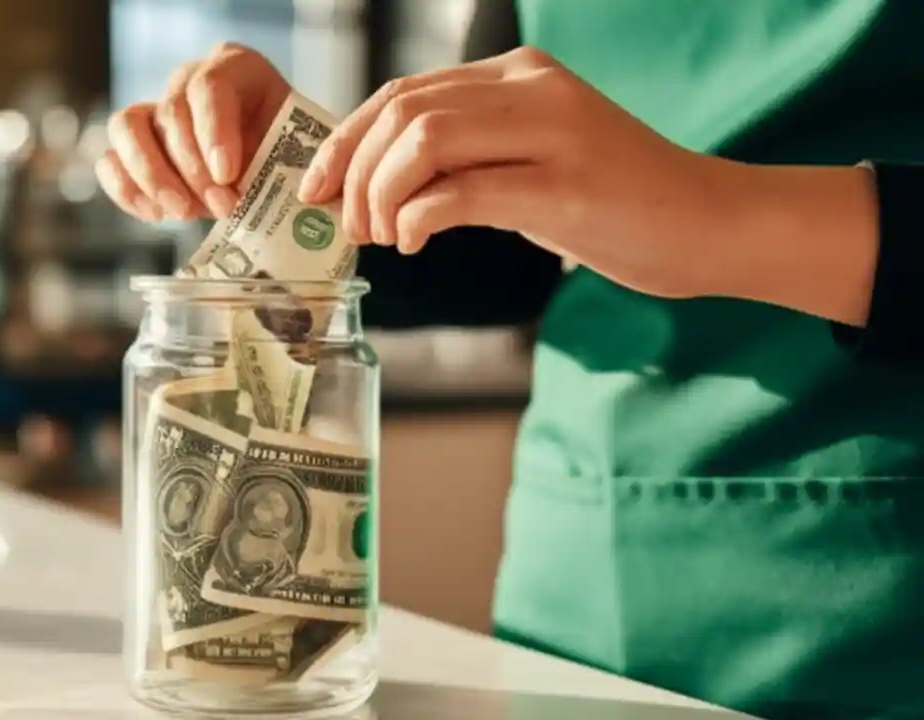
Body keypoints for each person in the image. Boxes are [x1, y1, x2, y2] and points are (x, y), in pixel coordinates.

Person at [99, 1, 924, 717]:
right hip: (575, 594)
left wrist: (717, 216)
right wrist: (317, 179)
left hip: (877, 603)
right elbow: (504, 250)